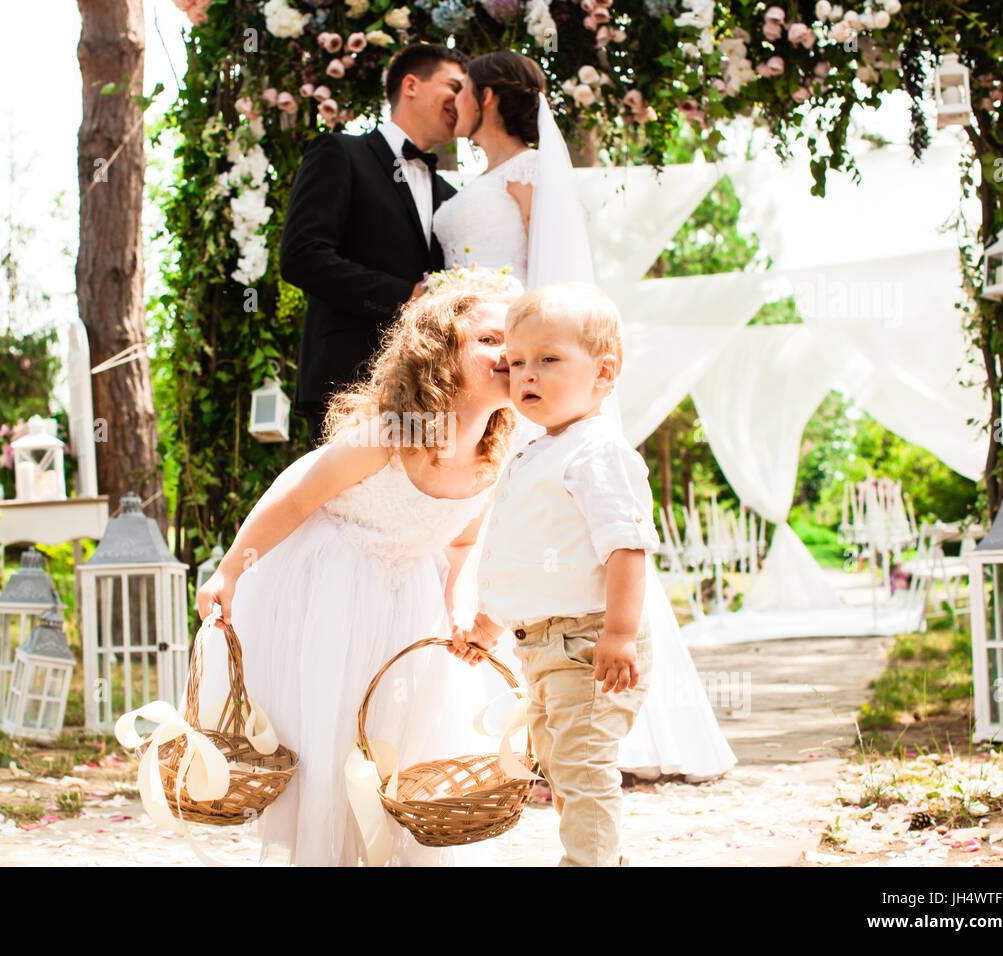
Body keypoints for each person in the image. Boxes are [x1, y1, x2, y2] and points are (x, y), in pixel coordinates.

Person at [436, 50, 736, 782]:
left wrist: (534, 366)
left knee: (564, 520)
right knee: (500, 515)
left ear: (493, 97)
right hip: (473, 360)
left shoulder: (534, 172)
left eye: (464, 92)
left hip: (519, 359)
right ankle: (507, 720)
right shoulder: (462, 183)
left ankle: (599, 695)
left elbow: (554, 272)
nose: (454, 106)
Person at [193, 272, 521, 866]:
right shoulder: (393, 435)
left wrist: (457, 608)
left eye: (514, 343)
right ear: (441, 354)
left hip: (408, 597)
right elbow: (295, 496)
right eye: (490, 340)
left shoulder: (491, 460)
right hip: (334, 584)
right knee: (335, 729)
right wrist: (230, 572)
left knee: (399, 737)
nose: (509, 354)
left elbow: (463, 545)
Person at [453, 283, 656, 867]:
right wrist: (491, 623)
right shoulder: (534, 451)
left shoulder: (598, 452)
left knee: (585, 768)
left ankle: (588, 862)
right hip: (543, 648)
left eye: (548, 359)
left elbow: (627, 547)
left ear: (604, 372)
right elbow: (524, 553)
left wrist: (619, 633)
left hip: (589, 642)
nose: (526, 375)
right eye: (516, 363)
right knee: (564, 767)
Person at [280, 43, 468, 448]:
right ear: (411, 84)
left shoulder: (452, 196)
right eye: (453, 85)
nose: (461, 99)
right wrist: (406, 295)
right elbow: (302, 257)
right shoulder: (340, 153)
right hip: (345, 381)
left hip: (425, 391)